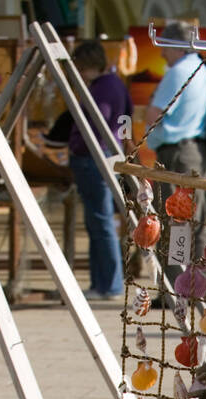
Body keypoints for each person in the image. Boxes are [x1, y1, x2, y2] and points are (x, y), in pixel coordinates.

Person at [145, 20, 206, 264]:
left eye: (164, 46)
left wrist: (149, 131)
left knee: (176, 221)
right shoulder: (201, 69)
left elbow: (154, 113)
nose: (162, 53)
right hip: (196, 151)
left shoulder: (178, 72)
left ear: (176, 46)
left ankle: (179, 289)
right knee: (194, 220)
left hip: (176, 152)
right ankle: (197, 284)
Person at [68, 40, 132, 301]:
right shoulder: (117, 84)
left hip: (95, 158)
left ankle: (109, 284)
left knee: (100, 222)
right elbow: (126, 116)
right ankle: (104, 282)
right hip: (109, 154)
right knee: (100, 221)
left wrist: (76, 147)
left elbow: (95, 124)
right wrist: (125, 145)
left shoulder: (103, 87)